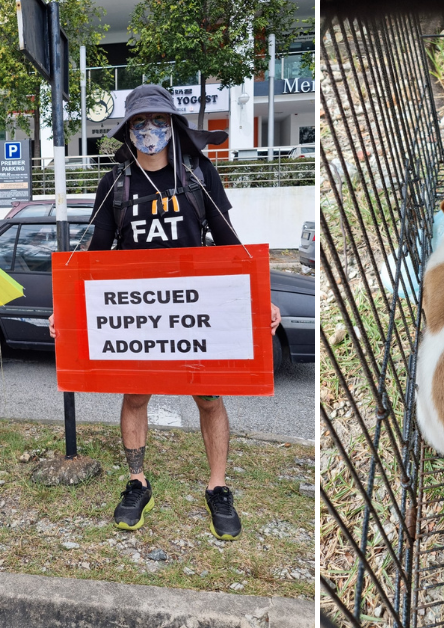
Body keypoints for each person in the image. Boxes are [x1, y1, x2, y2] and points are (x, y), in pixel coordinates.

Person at [48, 84, 280, 541]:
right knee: (135, 396)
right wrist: (66, 311)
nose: (148, 130)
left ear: (172, 125)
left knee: (210, 398)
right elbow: (93, 253)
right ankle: (137, 482)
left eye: (157, 120)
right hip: (139, 316)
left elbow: (228, 238)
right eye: (139, 122)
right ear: (128, 131)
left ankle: (218, 486)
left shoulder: (197, 174)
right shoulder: (116, 183)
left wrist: (259, 297)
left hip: (198, 312)